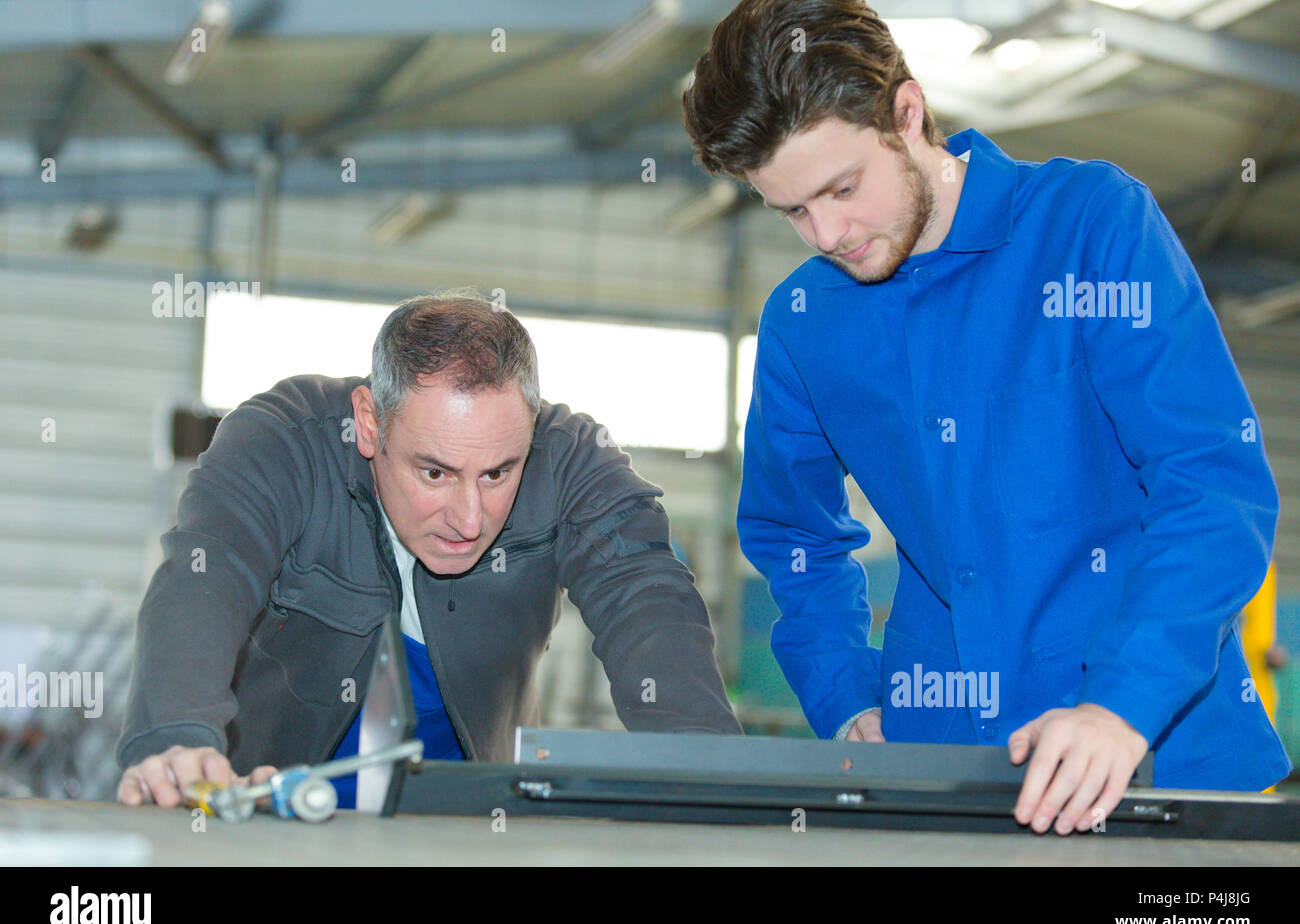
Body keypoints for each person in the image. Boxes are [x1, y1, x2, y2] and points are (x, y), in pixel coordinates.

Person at [683, 0, 1291, 834]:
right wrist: (845, 698)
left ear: (907, 112)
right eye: (790, 210)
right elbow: (795, 539)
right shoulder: (803, 323)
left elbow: (1212, 483)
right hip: (946, 774)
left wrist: (1122, 704)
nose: (827, 233)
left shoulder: (1091, 227)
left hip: (1167, 761)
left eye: (842, 188)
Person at [117, 291, 740, 808]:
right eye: (435, 473)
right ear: (369, 423)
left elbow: (647, 596)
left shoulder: (571, 460)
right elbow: (204, 580)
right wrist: (176, 737)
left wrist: (701, 770)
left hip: (465, 825)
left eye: (498, 473)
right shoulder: (281, 443)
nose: (469, 519)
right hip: (272, 809)